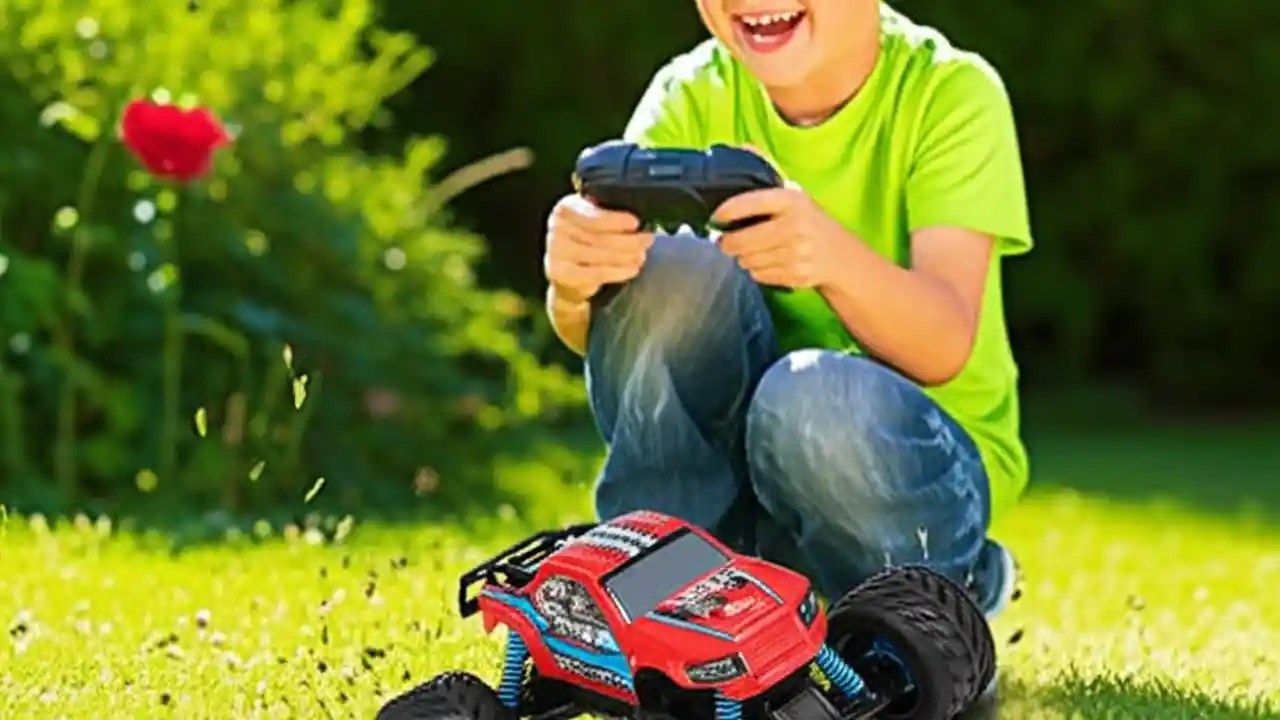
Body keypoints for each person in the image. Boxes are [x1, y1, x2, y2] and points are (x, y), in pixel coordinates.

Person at [542, 0, 1030, 622]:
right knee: (668, 274)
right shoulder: (691, 93)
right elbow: (610, 332)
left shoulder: (950, 93)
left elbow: (943, 342)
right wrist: (575, 282)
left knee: (809, 400)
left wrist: (831, 258)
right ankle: (665, 578)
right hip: (744, 488)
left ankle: (949, 581)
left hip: (914, 474)